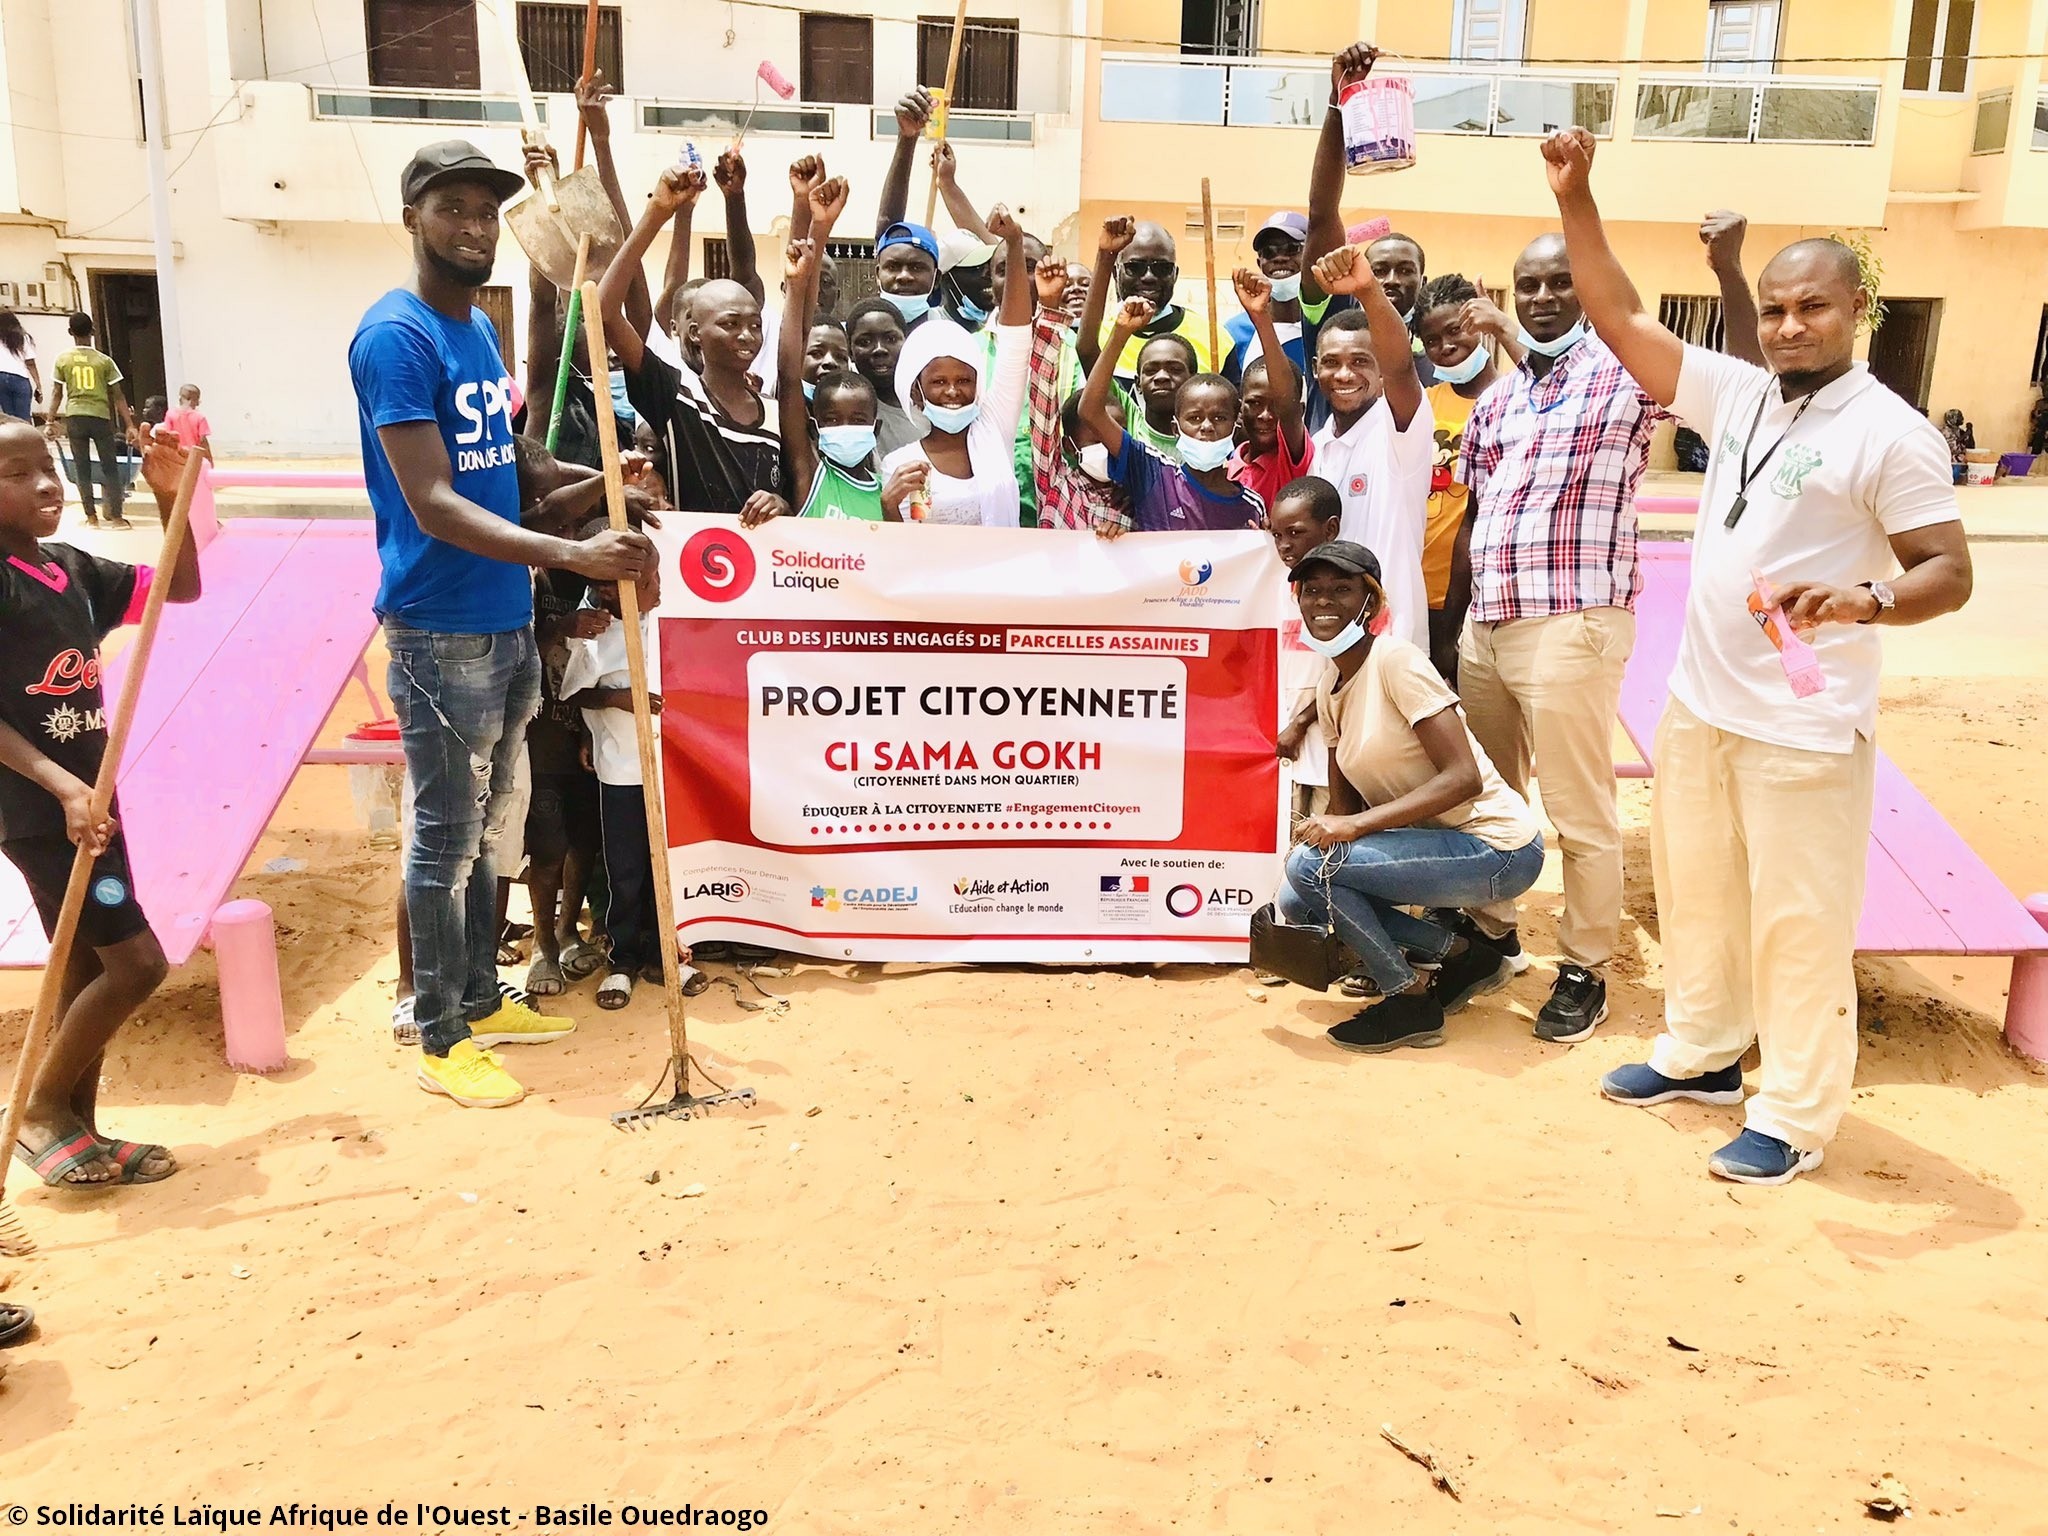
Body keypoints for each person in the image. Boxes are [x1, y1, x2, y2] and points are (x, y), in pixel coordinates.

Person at [1541, 125, 1972, 1185]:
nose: (1786, 325)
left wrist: (1869, 599)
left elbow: (1948, 571)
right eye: (1774, 308)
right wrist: (1575, 197)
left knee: (1797, 924)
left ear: (1856, 310)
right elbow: (1618, 315)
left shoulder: (1891, 433)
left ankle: (1795, 1113)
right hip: (1702, 705)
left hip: (1802, 726)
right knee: (1696, 894)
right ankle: (1700, 1052)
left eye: (1810, 306)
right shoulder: (1738, 393)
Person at [350, 139, 654, 1110]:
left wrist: (600, 482)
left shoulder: (476, 329)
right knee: (444, 842)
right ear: (412, 219)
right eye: (453, 210)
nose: (475, 228)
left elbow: (505, 461)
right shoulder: (395, 337)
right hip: (440, 627)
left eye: (486, 212)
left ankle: (481, 998)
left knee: (489, 835)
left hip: (503, 619)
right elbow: (434, 500)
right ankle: (440, 1033)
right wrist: (573, 555)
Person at [1450, 230, 1662, 1046]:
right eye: (1528, 285)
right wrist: (1463, 625)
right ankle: (1492, 936)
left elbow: (1734, 382)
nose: (1542, 298)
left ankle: (1584, 966)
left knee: (1578, 810)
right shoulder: (1497, 401)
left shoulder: (1628, 373)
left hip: (1572, 622)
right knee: (1490, 801)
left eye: (1560, 283)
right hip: (1488, 629)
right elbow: (1480, 512)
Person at [0, 421, 200, 1187]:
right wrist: (63, 787)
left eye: (47, 466)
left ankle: (79, 1131)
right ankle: (41, 1111)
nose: (46, 484)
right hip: (40, 812)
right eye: (18, 474)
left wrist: (169, 498)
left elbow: (178, 585)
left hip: (92, 806)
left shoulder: (71, 570)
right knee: (137, 963)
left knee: (86, 964)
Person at [1276, 539, 1544, 1053]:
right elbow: (1343, 808)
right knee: (1298, 894)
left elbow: (1463, 777)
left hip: (1499, 849)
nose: (1323, 600)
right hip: (1440, 853)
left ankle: (1409, 998)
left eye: (1341, 589)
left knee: (1312, 872)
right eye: (1312, 590)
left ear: (1370, 602)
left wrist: (1354, 828)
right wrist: (1322, 833)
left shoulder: (1396, 661)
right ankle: (1463, 953)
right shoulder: (1331, 687)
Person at [599, 164, 791, 522]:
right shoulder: (675, 395)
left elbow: (798, 499)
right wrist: (656, 214)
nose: (746, 335)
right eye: (730, 324)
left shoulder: (776, 413)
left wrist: (781, 505)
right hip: (689, 556)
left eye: (754, 325)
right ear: (693, 333)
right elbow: (606, 313)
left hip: (761, 560)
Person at [1301, 244, 1434, 653]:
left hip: (1393, 648)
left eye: (1360, 361)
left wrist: (1368, 290)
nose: (1344, 374)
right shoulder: (1316, 448)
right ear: (1316, 370)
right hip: (1330, 651)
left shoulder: (1398, 430)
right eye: (1331, 362)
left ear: (1380, 373)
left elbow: (1402, 367)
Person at [561, 545, 666, 1011]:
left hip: (672, 771)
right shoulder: (596, 636)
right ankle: (622, 959)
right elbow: (573, 694)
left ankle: (666, 953)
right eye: (649, 583)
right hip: (622, 769)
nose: (659, 589)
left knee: (668, 864)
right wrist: (617, 699)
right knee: (625, 869)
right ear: (612, 590)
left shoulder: (667, 622)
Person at [879, 207, 1032, 526]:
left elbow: (1016, 340)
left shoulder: (993, 430)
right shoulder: (904, 465)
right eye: (938, 382)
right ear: (916, 392)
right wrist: (889, 507)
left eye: (964, 380)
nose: (953, 391)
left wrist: (1014, 243)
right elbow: (903, 548)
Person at [1412, 274, 1519, 683]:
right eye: (1432, 340)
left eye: (1455, 330)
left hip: (1479, 593)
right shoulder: (1423, 405)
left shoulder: (1514, 398)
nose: (1444, 346)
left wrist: (1504, 326)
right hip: (1420, 584)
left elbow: (1553, 385)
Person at [1081, 297, 1264, 533]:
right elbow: (1090, 411)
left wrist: (1264, 541)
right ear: (1176, 428)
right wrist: (1120, 334)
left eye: (1219, 418)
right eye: (1195, 418)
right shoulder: (1152, 472)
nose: (1207, 427)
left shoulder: (1252, 506)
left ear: (1235, 427)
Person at [775, 184, 895, 524]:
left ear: (875, 427)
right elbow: (788, 377)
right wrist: (797, 284)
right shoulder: (811, 474)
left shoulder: (888, 493)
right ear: (815, 425)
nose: (844, 428)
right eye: (831, 420)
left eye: (857, 420)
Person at [1026, 261, 1125, 534]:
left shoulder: (1141, 496)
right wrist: (1049, 309)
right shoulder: (1055, 484)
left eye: (1115, 434)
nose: (1108, 444)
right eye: (1096, 437)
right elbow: (1043, 400)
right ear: (1069, 446)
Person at [1267, 477, 1343, 821]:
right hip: (1287, 756)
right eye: (1276, 535)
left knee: (1329, 843)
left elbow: (1351, 674)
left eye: (1295, 533)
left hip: (1334, 756)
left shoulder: (1352, 591)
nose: (1284, 545)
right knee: (1288, 842)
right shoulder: (1275, 589)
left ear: (1330, 530)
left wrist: (1300, 723)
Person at [1077, 218, 1219, 380]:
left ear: (1175, 274)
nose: (1149, 277)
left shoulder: (1215, 339)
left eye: (1162, 268)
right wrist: (1105, 256)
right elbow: (1086, 351)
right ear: (1116, 273)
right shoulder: (1096, 334)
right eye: (1135, 267)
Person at [1228, 268, 1312, 511]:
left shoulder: (1292, 457)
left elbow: (1287, 400)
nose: (1265, 415)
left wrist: (1261, 318)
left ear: (1299, 411)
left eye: (1276, 406)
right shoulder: (1228, 465)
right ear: (1240, 408)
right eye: (1254, 403)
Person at [48, 311, 138, 530]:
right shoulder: (104, 361)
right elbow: (118, 396)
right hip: (100, 417)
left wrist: (50, 421)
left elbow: (57, 393)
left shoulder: (63, 359)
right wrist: (130, 425)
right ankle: (116, 518)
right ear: (93, 331)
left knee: (82, 468)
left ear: (70, 332)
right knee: (110, 467)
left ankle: (91, 518)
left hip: (75, 417)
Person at [1223, 212, 1309, 388]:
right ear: (1259, 263)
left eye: (1292, 248)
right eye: (1269, 252)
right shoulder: (1236, 332)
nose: (1280, 258)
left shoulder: (1327, 323)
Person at [844, 297, 927, 458]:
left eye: (891, 339)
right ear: (850, 351)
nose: (879, 349)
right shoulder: (849, 413)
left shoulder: (932, 403)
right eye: (865, 342)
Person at [0, 307, 41, 422]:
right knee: (24, 417)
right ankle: (26, 433)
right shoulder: (23, 337)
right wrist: (38, 385)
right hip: (19, 378)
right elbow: (30, 363)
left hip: (1, 378)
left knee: (9, 418)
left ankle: (13, 433)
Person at [164, 384, 213, 462]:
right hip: (194, 459)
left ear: (180, 398)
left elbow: (167, 436)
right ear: (196, 401)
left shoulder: (170, 414)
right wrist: (209, 460)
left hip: (176, 458)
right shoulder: (200, 417)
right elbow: (203, 441)